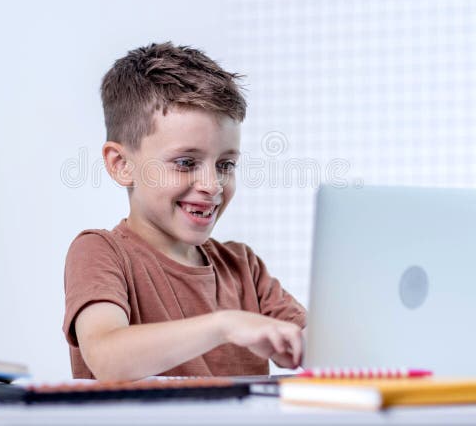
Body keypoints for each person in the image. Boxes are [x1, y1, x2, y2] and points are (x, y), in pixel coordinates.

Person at [63, 42, 306, 381]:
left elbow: (320, 345)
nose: (212, 184)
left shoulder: (243, 268)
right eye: (186, 162)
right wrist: (224, 325)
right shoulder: (100, 253)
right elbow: (107, 357)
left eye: (226, 164)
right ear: (121, 165)